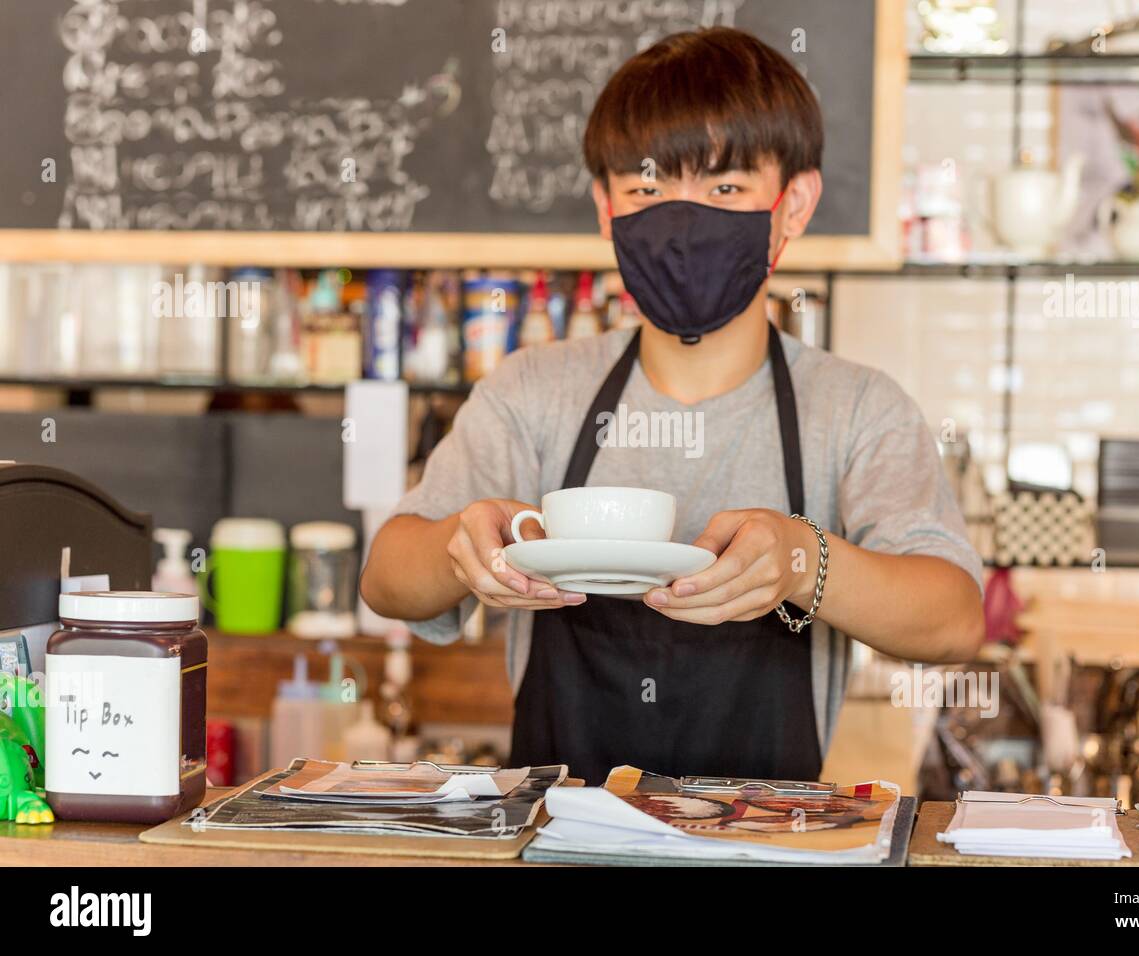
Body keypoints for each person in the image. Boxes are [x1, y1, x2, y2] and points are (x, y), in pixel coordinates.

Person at [361, 27, 984, 784]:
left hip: (768, 850)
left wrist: (800, 561)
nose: (683, 222)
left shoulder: (856, 410)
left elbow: (954, 620)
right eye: (649, 191)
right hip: (557, 846)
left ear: (795, 205)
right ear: (605, 208)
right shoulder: (533, 392)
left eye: (724, 189)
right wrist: (460, 544)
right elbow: (387, 578)